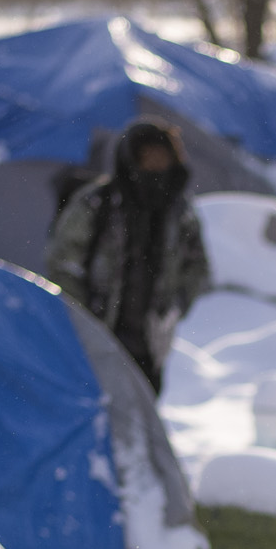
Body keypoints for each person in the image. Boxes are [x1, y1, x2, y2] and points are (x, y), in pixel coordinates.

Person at [46, 117, 212, 391]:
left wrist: (174, 308)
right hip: (98, 331)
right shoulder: (98, 204)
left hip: (150, 341)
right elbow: (63, 261)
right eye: (148, 157)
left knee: (143, 407)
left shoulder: (179, 214)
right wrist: (84, 315)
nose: (156, 166)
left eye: (162, 157)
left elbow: (197, 267)